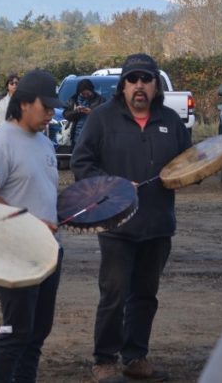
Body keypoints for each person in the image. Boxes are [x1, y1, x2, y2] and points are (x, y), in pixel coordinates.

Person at [71, 53, 191, 383]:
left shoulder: (170, 120)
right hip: (117, 225)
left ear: (156, 86)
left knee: (145, 295)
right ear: (122, 85)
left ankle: (135, 356)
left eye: (146, 79)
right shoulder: (101, 118)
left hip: (158, 224)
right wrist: (115, 186)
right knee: (114, 293)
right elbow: (82, 164)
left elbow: (187, 163)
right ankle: (105, 359)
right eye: (132, 79)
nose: (139, 86)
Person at [0, 69, 65, 383]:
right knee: (16, 331)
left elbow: (44, 195)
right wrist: (31, 222)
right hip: (14, 252)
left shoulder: (44, 142)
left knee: (38, 332)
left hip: (49, 251)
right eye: (46, 107)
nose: (51, 114)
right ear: (23, 103)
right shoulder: (0, 142)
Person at [63, 78, 104, 146]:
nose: (85, 96)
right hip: (76, 137)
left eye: (87, 93)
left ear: (91, 90)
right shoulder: (73, 100)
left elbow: (105, 117)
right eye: (83, 94)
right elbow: (66, 115)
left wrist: (92, 112)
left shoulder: (100, 100)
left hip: (93, 138)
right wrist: (76, 111)